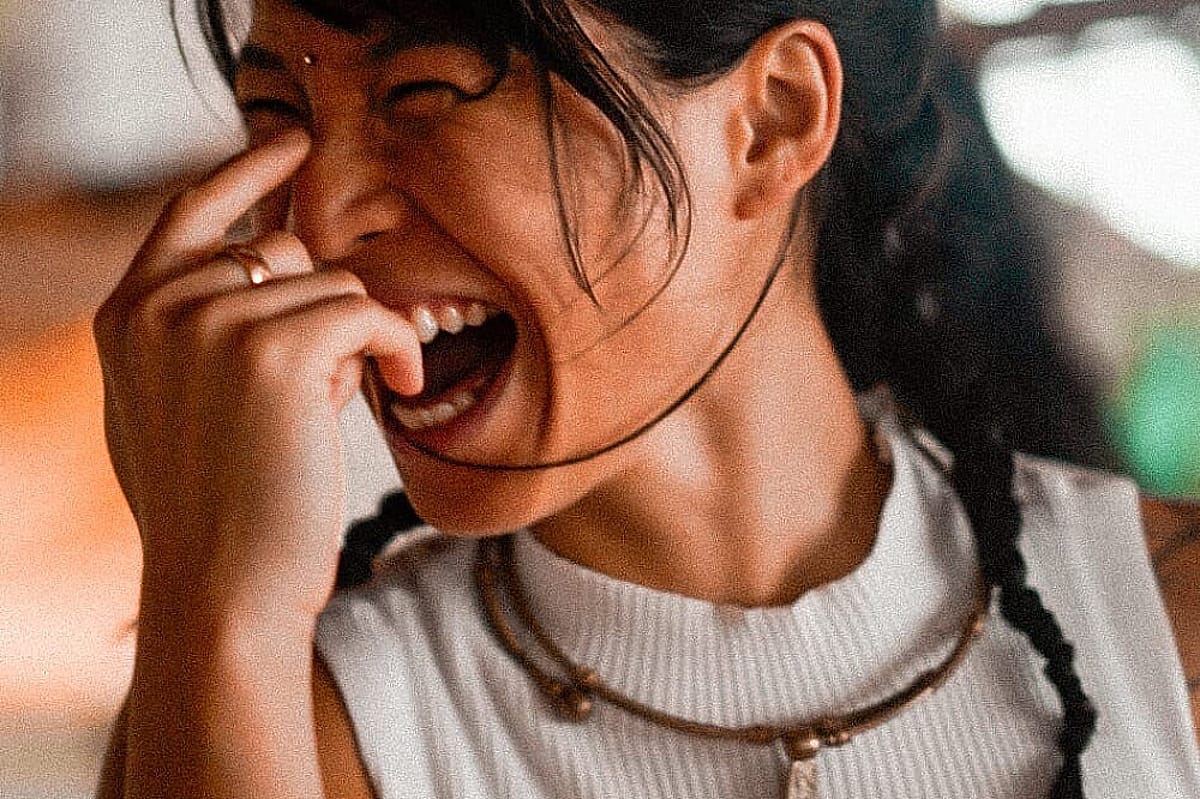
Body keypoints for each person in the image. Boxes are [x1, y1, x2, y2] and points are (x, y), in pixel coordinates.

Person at [95, 0, 1200, 797]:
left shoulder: (1173, 635)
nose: (318, 221)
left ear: (768, 123)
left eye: (420, 94)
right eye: (276, 116)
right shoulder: (277, 719)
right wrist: (214, 594)